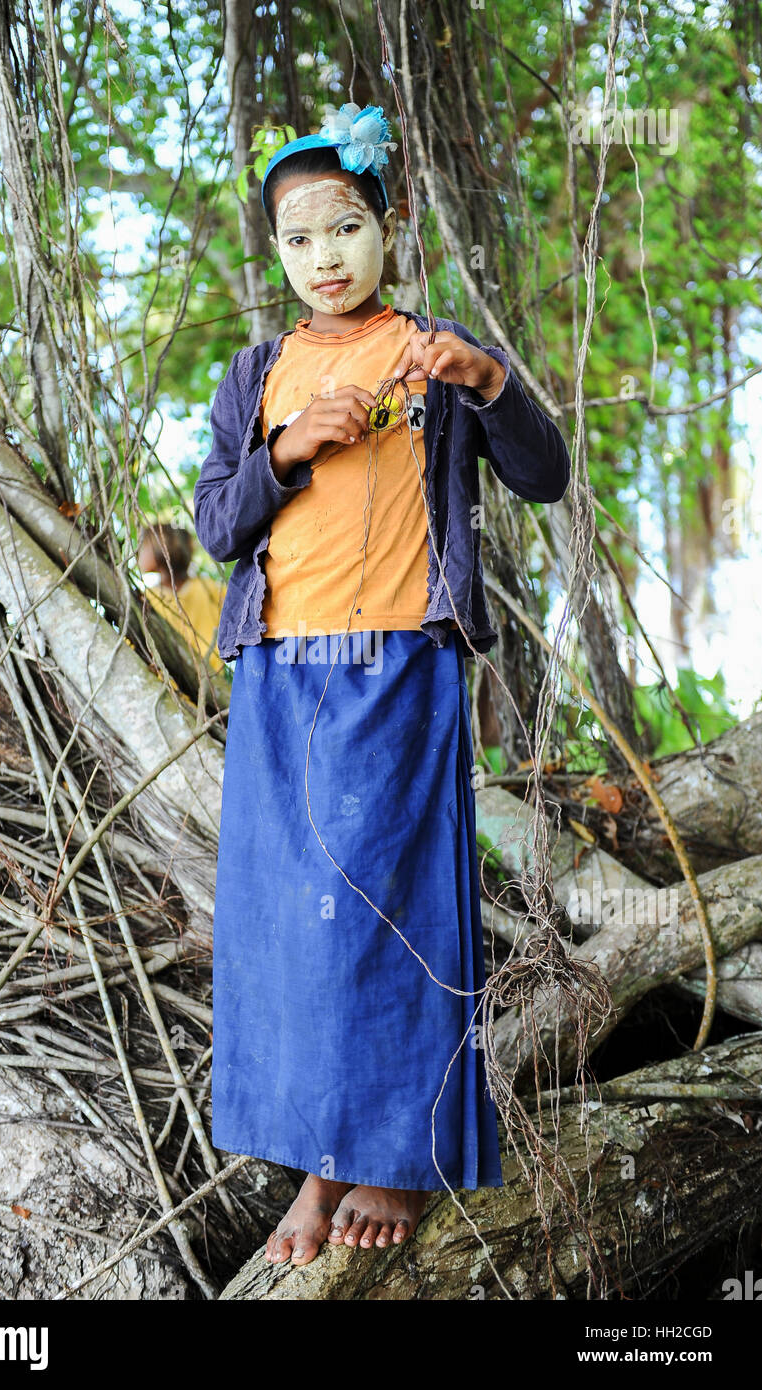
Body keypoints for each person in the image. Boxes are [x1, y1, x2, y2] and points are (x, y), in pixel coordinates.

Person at [193, 102, 571, 1268]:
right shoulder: (257, 377)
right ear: (277, 255)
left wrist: (488, 378)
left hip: (399, 669)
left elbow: (545, 475)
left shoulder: (435, 351)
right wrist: (289, 448)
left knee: (389, 916)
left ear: (388, 225)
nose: (326, 257)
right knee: (291, 933)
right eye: (300, 239)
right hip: (279, 679)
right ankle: (318, 1160)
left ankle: (394, 1165)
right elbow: (215, 525)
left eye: (346, 227)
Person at [136, 522, 227, 678]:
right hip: (172, 684)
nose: (137, 552)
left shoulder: (210, 589)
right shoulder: (146, 598)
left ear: (161, 550)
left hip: (209, 683)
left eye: (143, 546)